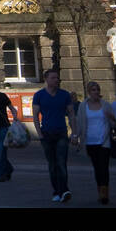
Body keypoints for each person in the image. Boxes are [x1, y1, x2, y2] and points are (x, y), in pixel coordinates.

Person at [33, 68, 77, 203]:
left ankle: (64, 190)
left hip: (61, 133)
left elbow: (71, 114)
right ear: (46, 79)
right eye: (53, 78)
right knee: (52, 164)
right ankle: (56, 191)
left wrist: (74, 133)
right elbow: (35, 115)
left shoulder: (64, 95)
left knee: (61, 162)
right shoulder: (39, 95)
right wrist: (39, 133)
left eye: (57, 78)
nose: (56, 80)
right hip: (46, 133)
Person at [72, 81, 116, 205]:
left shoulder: (105, 105)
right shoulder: (83, 106)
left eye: (97, 90)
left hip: (104, 141)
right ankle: (100, 191)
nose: (96, 92)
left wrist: (112, 118)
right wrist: (75, 135)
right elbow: (80, 122)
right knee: (97, 168)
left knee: (104, 167)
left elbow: (114, 124)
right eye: (93, 90)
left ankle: (104, 194)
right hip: (90, 141)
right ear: (89, 92)